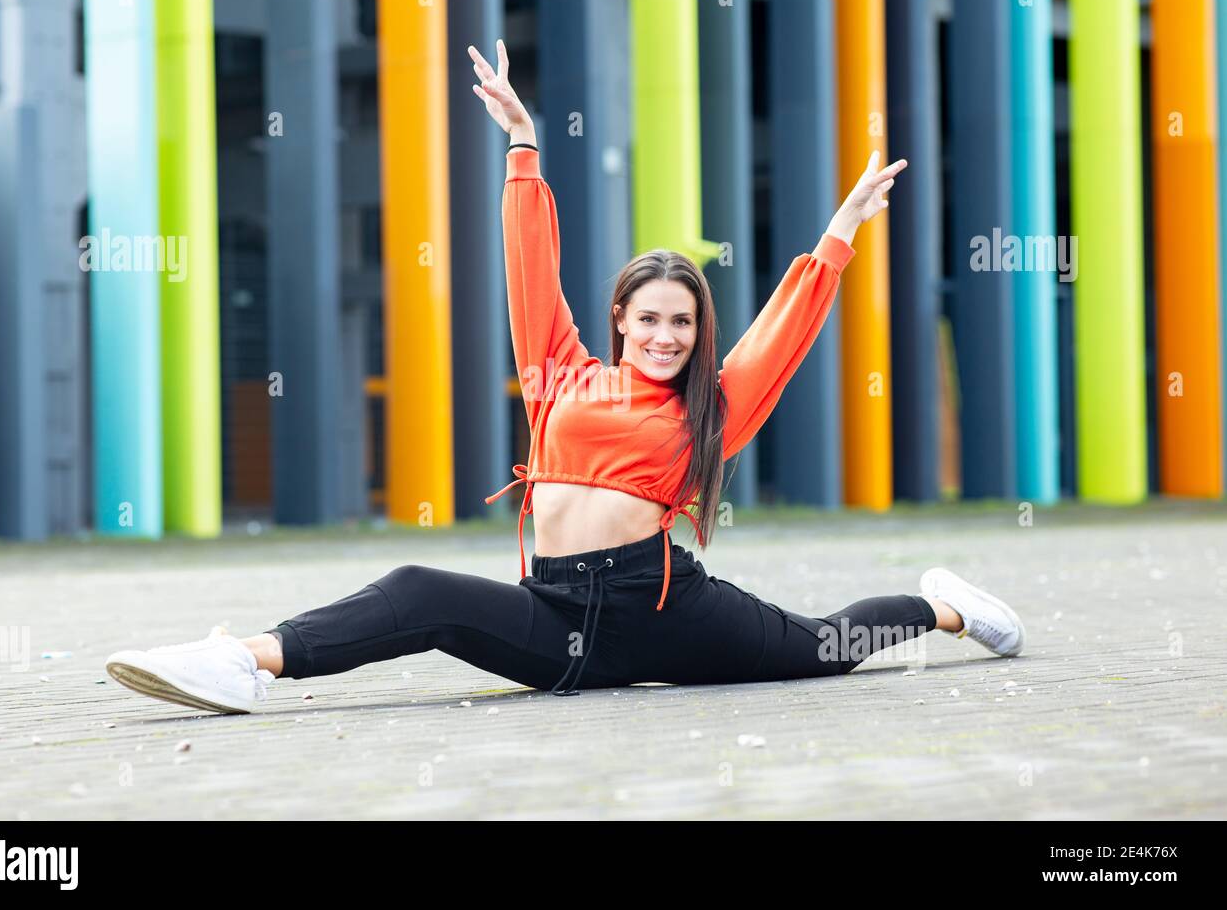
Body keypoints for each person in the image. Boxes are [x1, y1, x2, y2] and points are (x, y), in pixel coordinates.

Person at [105, 40, 1024, 716]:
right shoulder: (560, 376)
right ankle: (243, 662)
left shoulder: (711, 405)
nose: (667, 336)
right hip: (555, 623)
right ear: (620, 319)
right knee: (420, 590)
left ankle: (949, 607)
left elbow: (784, 331)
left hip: (663, 607)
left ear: (698, 333)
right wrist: (522, 147)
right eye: (651, 317)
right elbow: (528, 271)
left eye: (684, 322)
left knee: (827, 647)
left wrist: (840, 233)